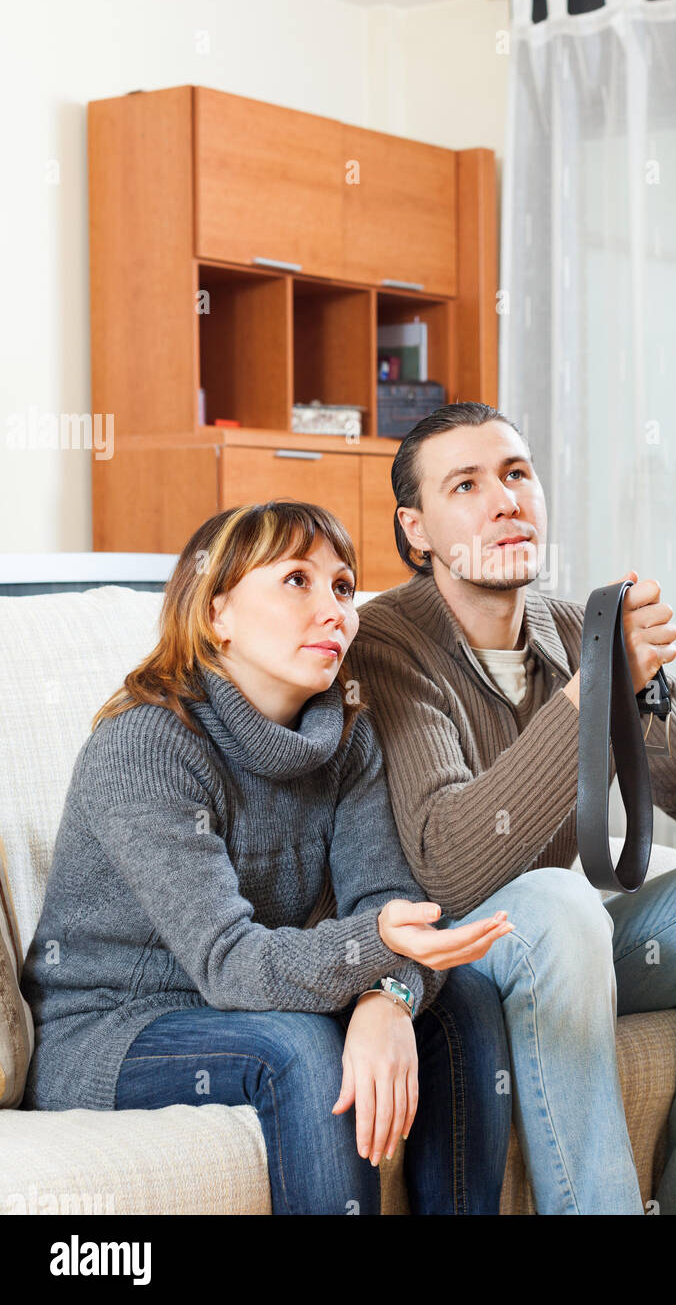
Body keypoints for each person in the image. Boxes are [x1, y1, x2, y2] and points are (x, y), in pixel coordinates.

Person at [348, 401, 676, 1215]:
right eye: (466, 485)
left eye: (517, 474)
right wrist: (597, 691)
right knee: (559, 900)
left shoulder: (576, 629)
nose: (505, 500)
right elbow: (445, 860)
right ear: (415, 530)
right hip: (451, 959)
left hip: (570, 948)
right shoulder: (383, 643)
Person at [20, 500, 512, 1215]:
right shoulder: (147, 746)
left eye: (344, 587)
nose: (335, 609)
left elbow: (390, 906)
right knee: (296, 1047)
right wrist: (374, 947)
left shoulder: (347, 739)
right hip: (114, 1026)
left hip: (255, 998)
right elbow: (230, 963)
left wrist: (388, 997)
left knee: (462, 998)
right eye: (297, 581)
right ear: (216, 610)